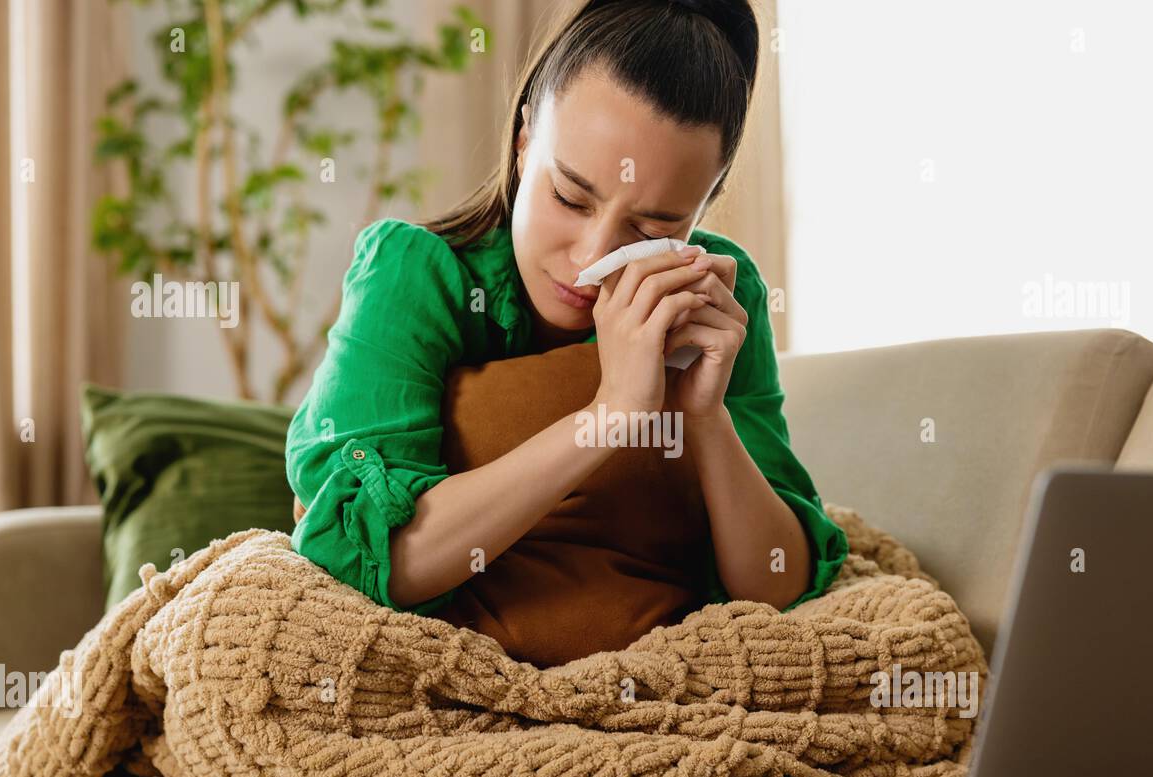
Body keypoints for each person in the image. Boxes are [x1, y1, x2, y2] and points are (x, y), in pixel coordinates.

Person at [287, 0, 848, 624]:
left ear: (698, 214)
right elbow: (373, 555)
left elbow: (780, 586)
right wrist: (611, 413)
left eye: (653, 225)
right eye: (570, 196)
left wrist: (706, 418)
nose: (592, 255)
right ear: (525, 144)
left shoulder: (716, 298)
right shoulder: (412, 275)